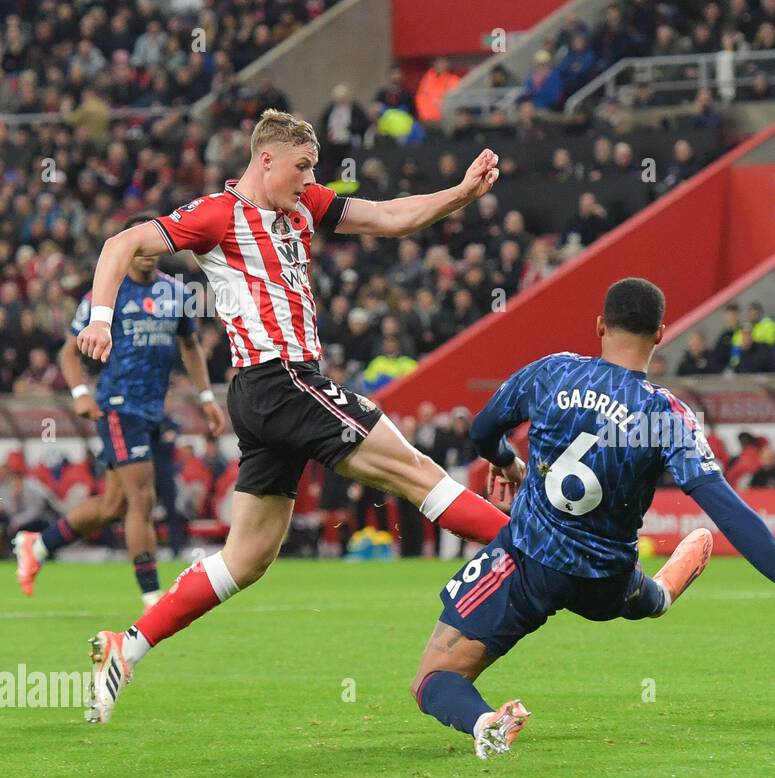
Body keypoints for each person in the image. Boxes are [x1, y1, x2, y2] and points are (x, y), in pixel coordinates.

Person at [75, 110, 512, 723]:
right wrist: (99, 317)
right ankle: (531, 543)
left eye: (315, 168)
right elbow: (121, 243)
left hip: (264, 397)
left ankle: (129, 643)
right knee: (412, 469)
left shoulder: (304, 206)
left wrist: (462, 194)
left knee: (247, 557)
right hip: (280, 380)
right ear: (266, 161)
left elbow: (387, 216)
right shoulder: (219, 215)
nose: (310, 179)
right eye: (301, 167)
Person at [411, 278, 775, 758]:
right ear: (660, 333)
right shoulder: (665, 415)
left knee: (434, 678)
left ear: (599, 325)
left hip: (530, 561)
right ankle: (661, 593)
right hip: (606, 580)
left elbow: (482, 430)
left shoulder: (551, 374)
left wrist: (508, 461)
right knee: (645, 599)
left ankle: (489, 722)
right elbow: (728, 509)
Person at [13, 213, 225, 609]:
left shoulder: (175, 293)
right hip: (116, 406)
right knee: (143, 496)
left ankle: (37, 544)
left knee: (116, 506)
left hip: (152, 409)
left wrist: (207, 398)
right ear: (128, 248)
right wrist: (79, 392)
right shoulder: (103, 294)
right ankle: (153, 597)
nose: (147, 255)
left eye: (153, 247)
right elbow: (68, 353)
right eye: (139, 247)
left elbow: (191, 348)